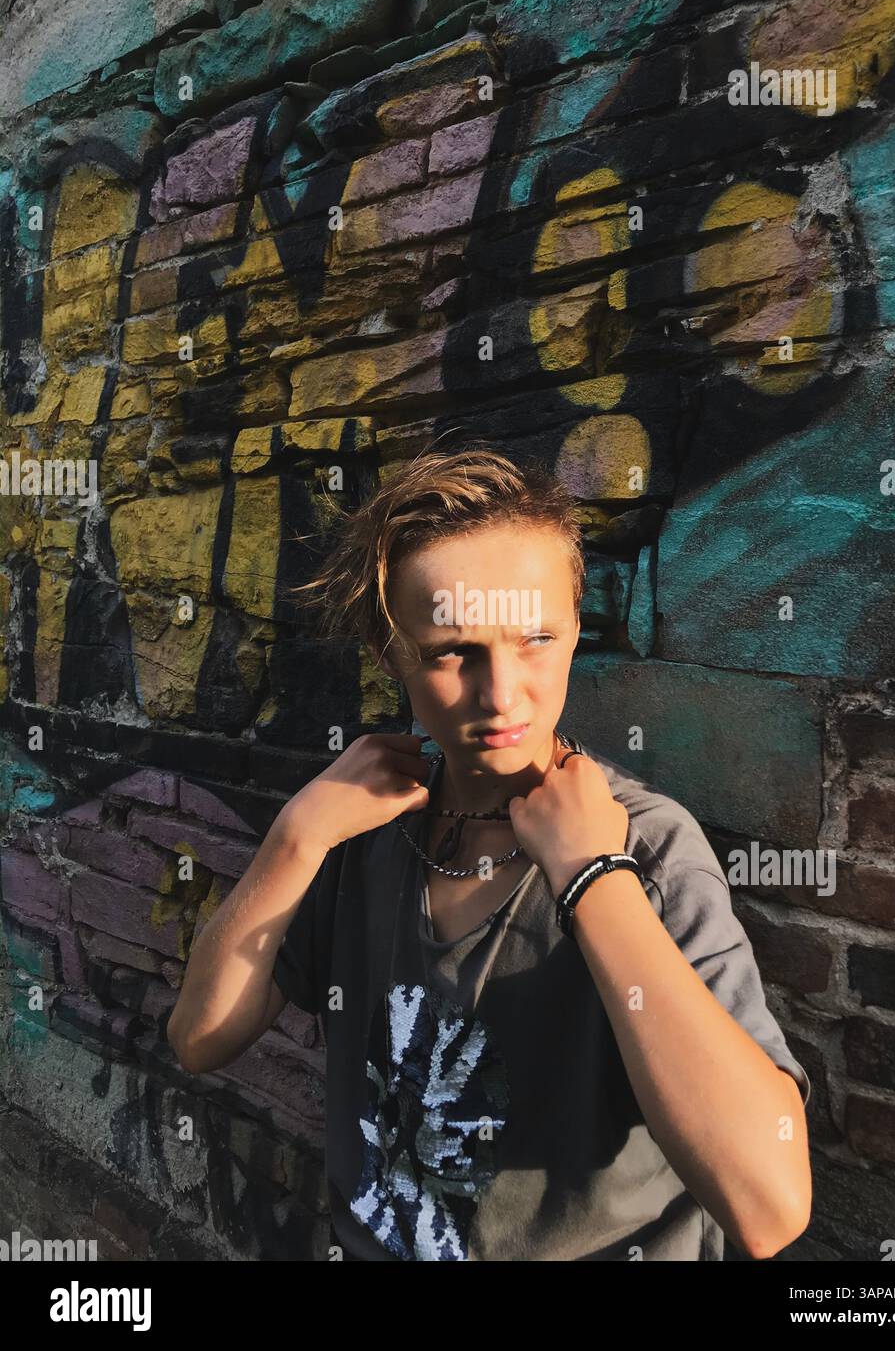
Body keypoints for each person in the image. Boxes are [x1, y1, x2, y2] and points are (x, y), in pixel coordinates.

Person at [167, 444, 812, 1262]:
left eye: (535, 638)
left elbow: (768, 1205)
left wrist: (592, 879)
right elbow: (199, 1039)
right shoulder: (355, 833)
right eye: (451, 652)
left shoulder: (648, 847)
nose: (502, 694)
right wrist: (295, 838)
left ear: (577, 628)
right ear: (388, 653)